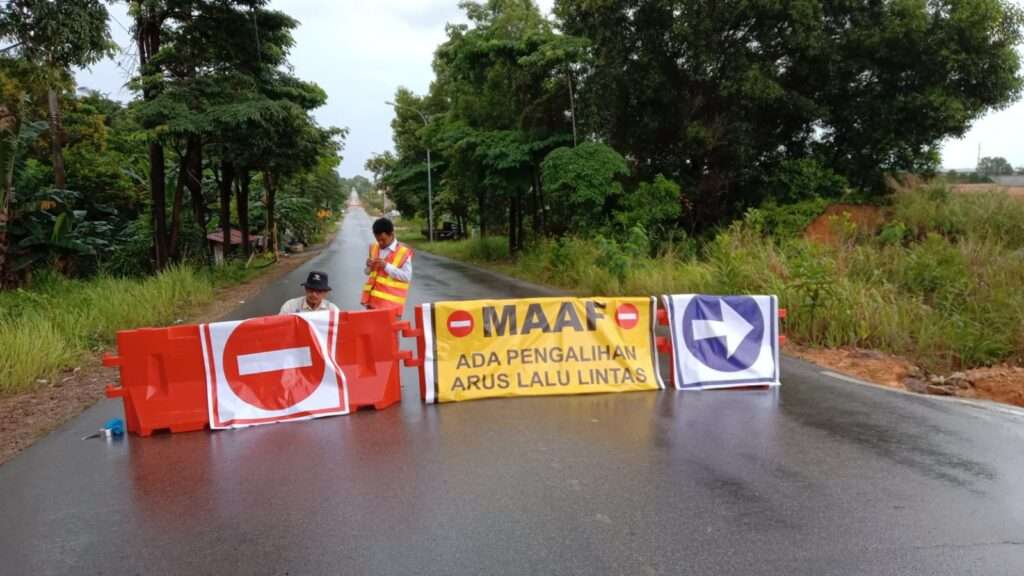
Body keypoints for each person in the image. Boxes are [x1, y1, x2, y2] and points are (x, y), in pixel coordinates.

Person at [361, 217, 413, 317]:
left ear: (392, 234)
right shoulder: (374, 248)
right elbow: (368, 273)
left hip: (391, 308)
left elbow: (407, 277)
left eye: (383, 240)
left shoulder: (403, 252)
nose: (380, 243)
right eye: (377, 239)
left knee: (389, 333)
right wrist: (368, 266)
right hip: (372, 304)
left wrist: (386, 266)